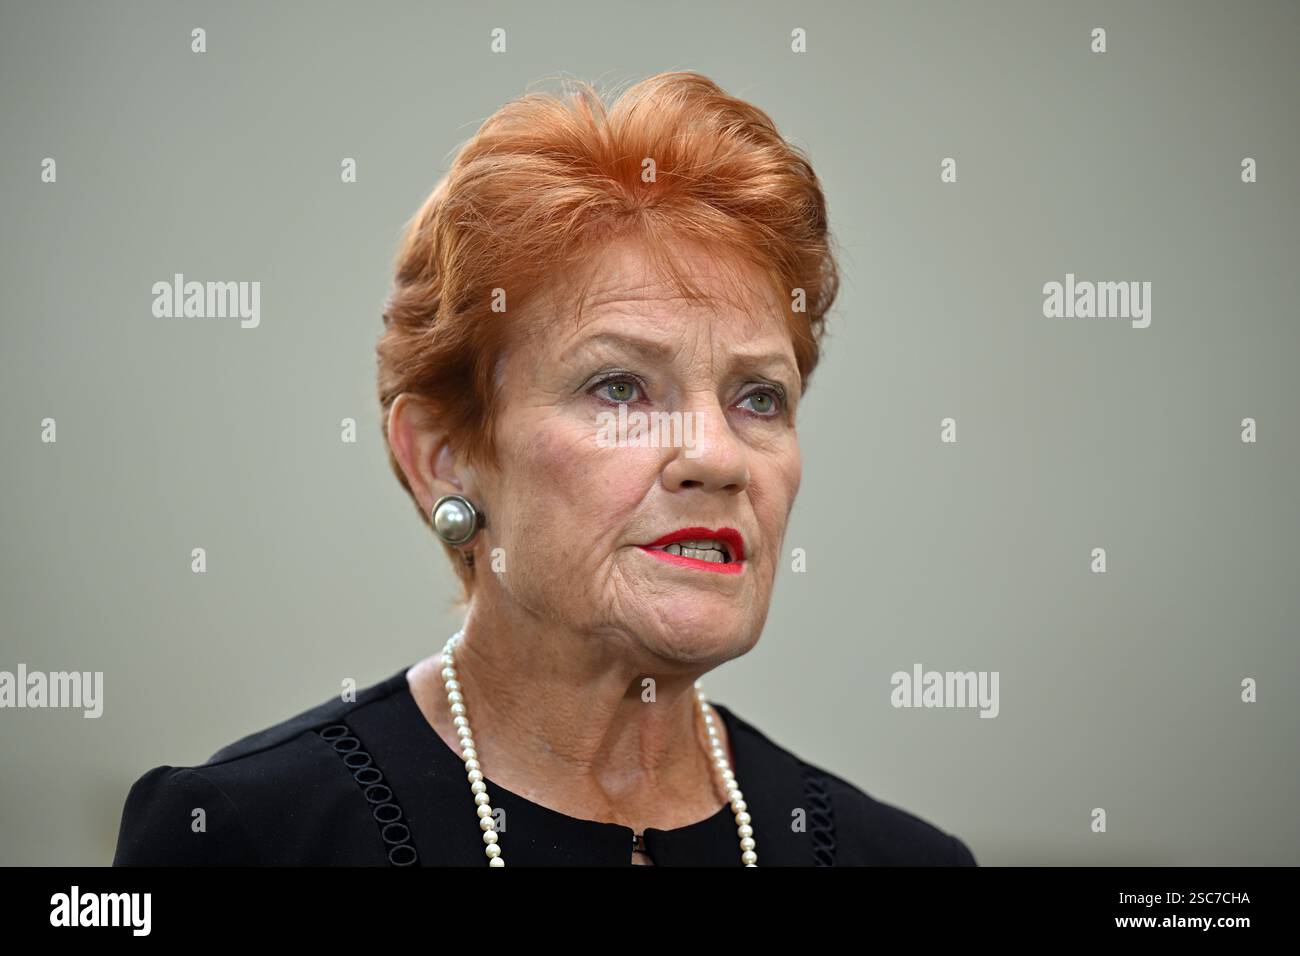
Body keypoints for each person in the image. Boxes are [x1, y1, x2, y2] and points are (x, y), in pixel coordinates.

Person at [112, 71, 977, 867]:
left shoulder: (903, 861)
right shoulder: (246, 837)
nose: (715, 455)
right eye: (621, 387)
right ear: (445, 457)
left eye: (758, 398)